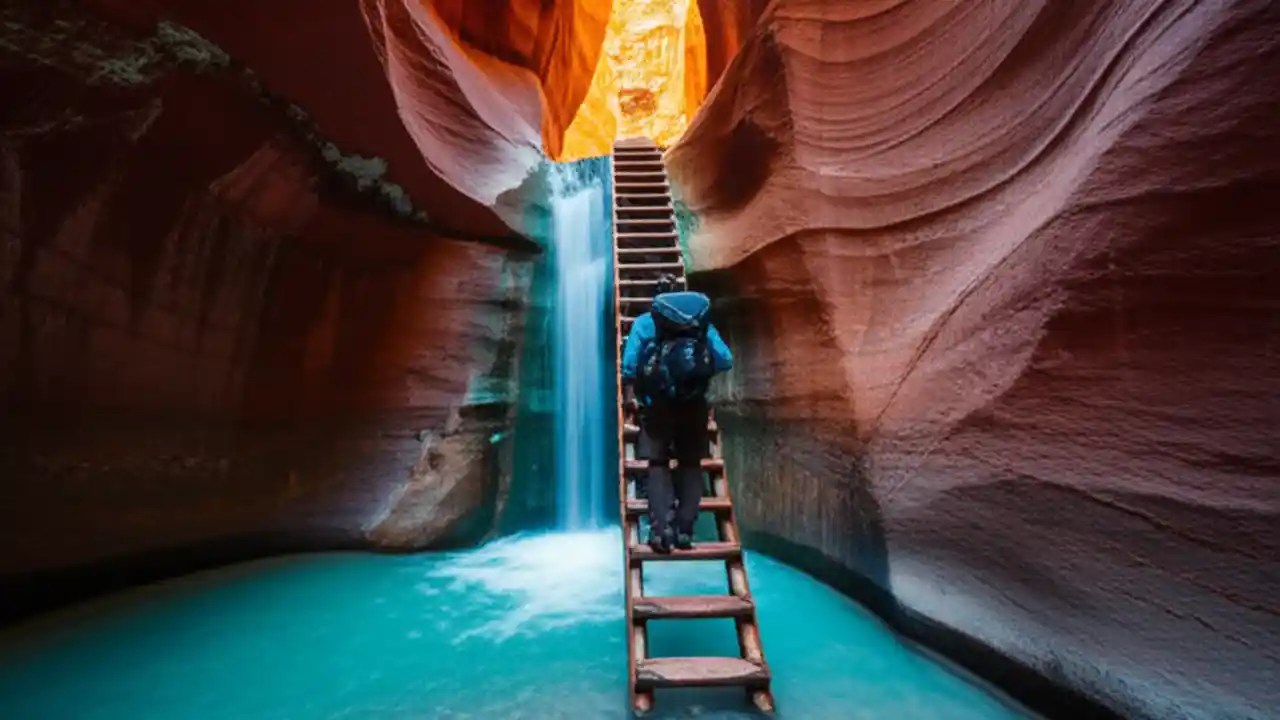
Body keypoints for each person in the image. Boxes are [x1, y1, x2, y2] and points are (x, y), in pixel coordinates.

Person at [620, 275, 733, 553]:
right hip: (693, 405)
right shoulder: (701, 326)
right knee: (691, 464)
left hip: (656, 406)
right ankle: (685, 530)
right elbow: (724, 359)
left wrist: (630, 399)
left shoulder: (646, 323)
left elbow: (629, 366)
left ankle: (661, 534)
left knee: (658, 464)